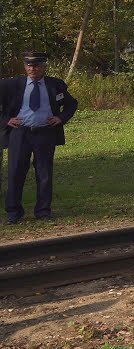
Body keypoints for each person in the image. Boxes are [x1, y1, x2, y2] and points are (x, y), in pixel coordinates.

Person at [2, 52, 78, 224]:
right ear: (25, 67)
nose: (32, 69)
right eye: (29, 65)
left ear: (44, 66)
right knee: (15, 172)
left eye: (36, 65)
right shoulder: (12, 84)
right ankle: (13, 213)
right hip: (20, 133)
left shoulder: (55, 85)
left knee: (44, 173)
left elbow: (71, 103)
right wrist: (6, 120)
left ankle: (43, 212)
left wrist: (61, 118)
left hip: (45, 133)